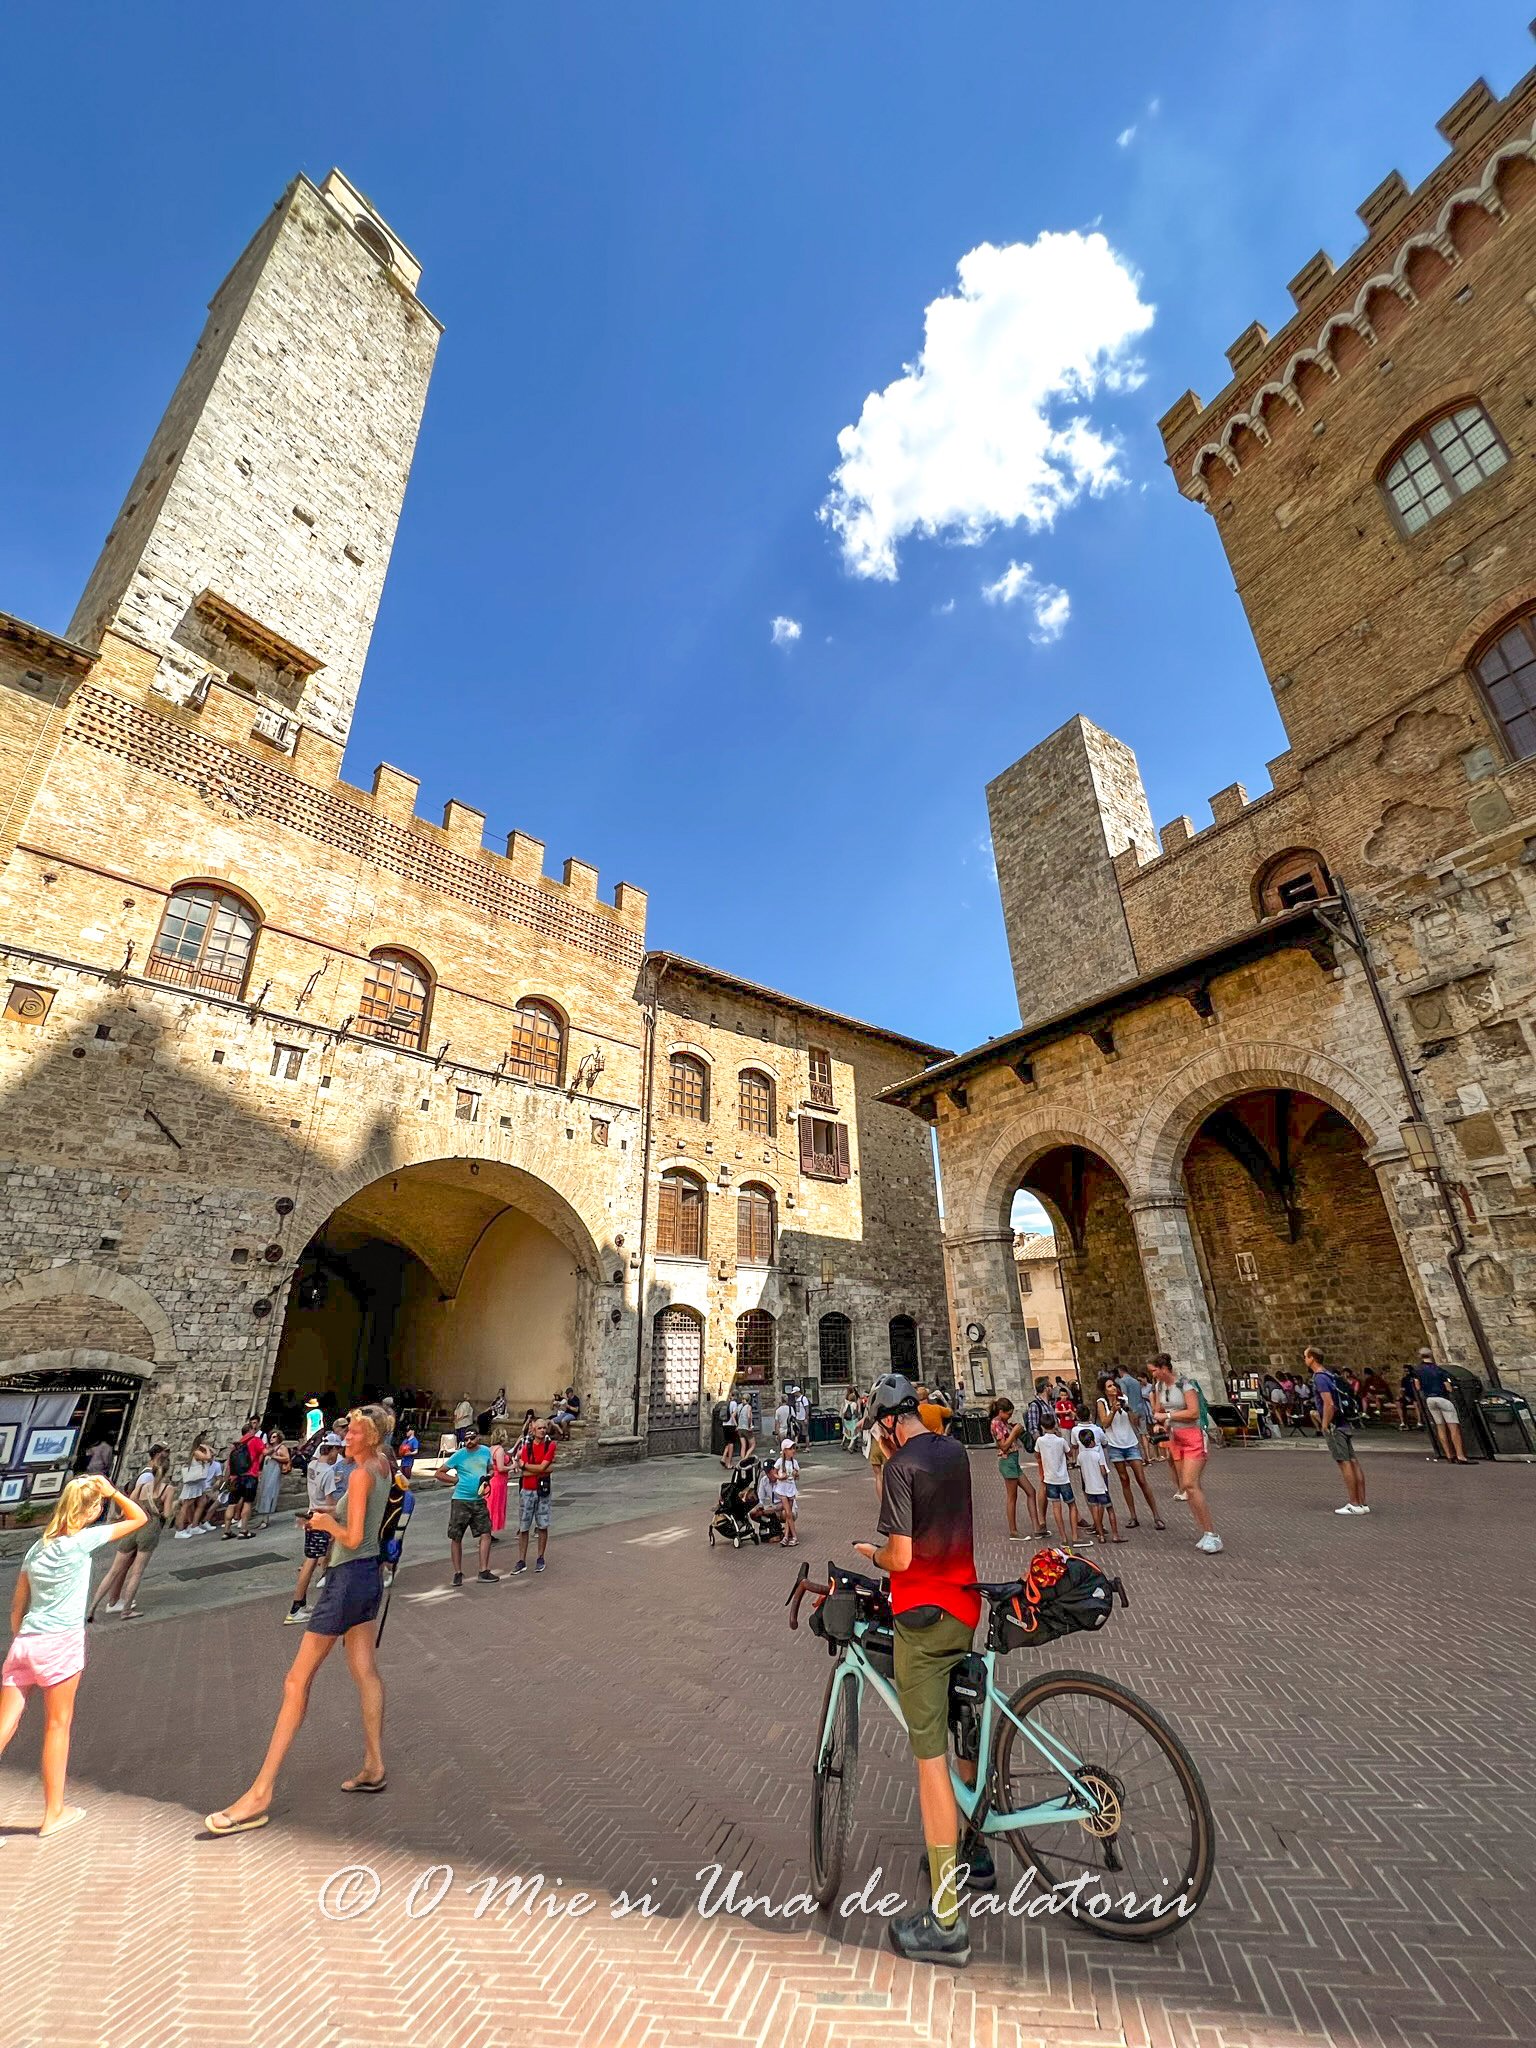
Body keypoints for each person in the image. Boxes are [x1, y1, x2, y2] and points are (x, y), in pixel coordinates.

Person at [206, 1406, 391, 1834]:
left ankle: (260, 1792)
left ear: (372, 1436)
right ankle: (374, 1765)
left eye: (354, 1431)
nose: (345, 1436)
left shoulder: (363, 1473)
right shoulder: (381, 1465)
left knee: (295, 1682)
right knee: (365, 1671)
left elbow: (355, 1535)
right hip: (369, 1576)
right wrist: (332, 1513)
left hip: (346, 1578)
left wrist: (325, 1521)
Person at [852, 1373, 982, 1968]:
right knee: (964, 1716)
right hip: (966, 1607)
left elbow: (901, 1555)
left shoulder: (900, 1466)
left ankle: (947, 1920)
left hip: (923, 1622)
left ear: (885, 1424)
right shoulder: (952, 1450)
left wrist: (871, 1554)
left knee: (928, 1759)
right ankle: (974, 1850)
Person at [1, 1473, 147, 1837]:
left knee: (4, 1724)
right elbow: (138, 1519)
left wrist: (21, 1636)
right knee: (57, 1726)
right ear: (91, 1510)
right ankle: (54, 1813)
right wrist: (113, 1492)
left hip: (26, 1642)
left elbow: (18, 1604)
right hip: (60, 1642)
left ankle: (55, 1811)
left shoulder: (38, 1547)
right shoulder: (82, 1541)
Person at [87, 1448, 173, 1621]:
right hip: (150, 1528)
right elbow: (167, 1514)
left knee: (113, 1571)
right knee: (137, 1572)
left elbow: (129, 1504)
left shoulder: (141, 1485)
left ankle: (92, 1608)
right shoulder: (167, 1489)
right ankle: (126, 1610)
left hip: (134, 1525)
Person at [1149, 1354, 1222, 1553]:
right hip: (1175, 1436)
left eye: (1155, 1370)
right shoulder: (1159, 1388)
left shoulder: (1185, 1385)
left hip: (1193, 1436)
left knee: (1191, 1483)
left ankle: (1212, 1535)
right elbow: (1158, 1411)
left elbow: (1194, 1412)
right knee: (1186, 1487)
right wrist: (1159, 1423)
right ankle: (1205, 1532)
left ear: (1164, 1368)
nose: (1153, 1374)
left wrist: (1168, 1416)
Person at [286, 1432, 343, 1624]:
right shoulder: (328, 1472)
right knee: (311, 1563)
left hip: (311, 1513)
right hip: (320, 1518)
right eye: (338, 1449)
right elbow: (329, 1503)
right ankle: (295, 1607)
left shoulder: (312, 1465)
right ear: (333, 1449)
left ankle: (301, 1604)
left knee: (310, 1560)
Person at [1307, 1346, 1369, 1513]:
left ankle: (1354, 1503)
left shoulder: (1319, 1377)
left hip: (1335, 1425)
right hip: (1344, 1422)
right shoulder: (1330, 1375)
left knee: (1344, 1462)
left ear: (1312, 1358)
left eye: (1306, 1356)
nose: (1305, 1359)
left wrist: (1324, 1424)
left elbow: (1329, 1404)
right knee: (1353, 1460)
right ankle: (1362, 1503)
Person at [1095, 1376, 1163, 1529]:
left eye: (1114, 1385)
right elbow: (1105, 1423)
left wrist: (1129, 1410)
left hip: (1130, 1443)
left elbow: (1134, 1421)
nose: (1113, 1388)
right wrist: (1113, 1410)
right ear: (1104, 1390)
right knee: (1124, 1480)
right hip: (1115, 1445)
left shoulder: (1123, 1398)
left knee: (1141, 1479)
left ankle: (1156, 1515)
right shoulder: (1102, 1403)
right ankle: (1133, 1516)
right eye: (1110, 1386)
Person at [437, 1425, 497, 1586]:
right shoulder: (459, 1455)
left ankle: (483, 1570)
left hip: (478, 1499)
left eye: (472, 1438)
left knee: (486, 1533)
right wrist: (454, 1480)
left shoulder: (485, 1451)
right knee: (456, 1536)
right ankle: (457, 1572)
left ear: (478, 1437)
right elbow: (439, 1472)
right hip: (461, 1500)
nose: (469, 1442)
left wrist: (489, 1476)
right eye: (466, 1439)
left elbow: (491, 1467)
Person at [988, 1398, 1043, 1541]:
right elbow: (1004, 1446)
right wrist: (1014, 1433)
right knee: (1012, 1497)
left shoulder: (1004, 1423)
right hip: (1007, 1460)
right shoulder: (996, 1423)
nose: (1010, 1416)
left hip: (1013, 1461)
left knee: (1031, 1491)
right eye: (1008, 1414)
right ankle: (1013, 1531)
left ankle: (1037, 1527)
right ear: (1001, 1412)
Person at [1409, 1346, 1470, 1464]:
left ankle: (1449, 1455)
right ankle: (1460, 1455)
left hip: (1430, 1399)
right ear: (1431, 1355)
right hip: (1442, 1398)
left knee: (1440, 1426)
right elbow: (1448, 1387)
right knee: (1453, 1427)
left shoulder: (1417, 1371)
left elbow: (1417, 1387)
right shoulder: (1439, 1370)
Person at [514, 1419, 557, 1575]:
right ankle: (521, 1560)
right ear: (533, 1429)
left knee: (542, 1525)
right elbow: (541, 1469)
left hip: (542, 1490)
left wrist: (526, 1465)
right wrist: (542, 1470)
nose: (542, 1430)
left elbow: (539, 1467)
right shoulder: (527, 1446)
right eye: (539, 1428)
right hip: (527, 1489)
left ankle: (540, 1557)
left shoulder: (550, 1445)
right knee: (524, 1526)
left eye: (544, 1428)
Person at [1034, 1417, 1083, 1545]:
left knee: (1056, 1507)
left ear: (1043, 1427)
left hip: (1049, 1478)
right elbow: (1070, 1454)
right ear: (1055, 1425)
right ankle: (1074, 1535)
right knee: (1071, 1505)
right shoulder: (1060, 1441)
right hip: (1063, 1478)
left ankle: (1063, 1537)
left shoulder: (1040, 1440)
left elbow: (1037, 1455)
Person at [1075, 1428, 1124, 1544]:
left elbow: (1081, 1469)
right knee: (1110, 1509)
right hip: (1100, 1487)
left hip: (1089, 1488)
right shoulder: (1097, 1455)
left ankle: (1100, 1535)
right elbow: (1103, 1471)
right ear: (1092, 1441)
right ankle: (1115, 1534)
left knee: (1095, 1510)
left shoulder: (1080, 1456)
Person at [222, 1418, 265, 1540]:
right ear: (251, 1431)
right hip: (249, 1477)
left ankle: (226, 1531)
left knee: (231, 1503)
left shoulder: (235, 1447)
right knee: (247, 1502)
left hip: (234, 1479)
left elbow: (229, 1466)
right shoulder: (255, 1440)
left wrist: (226, 1481)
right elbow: (265, 1451)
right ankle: (244, 1530)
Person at [173, 1439, 216, 1537]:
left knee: (202, 1502)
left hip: (198, 1482)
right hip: (193, 1483)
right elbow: (208, 1458)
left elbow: (213, 1454)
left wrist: (208, 1448)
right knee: (186, 1505)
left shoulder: (200, 1452)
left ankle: (194, 1526)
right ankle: (179, 1530)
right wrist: (206, 1448)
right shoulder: (196, 1453)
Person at [255, 1426, 291, 1530]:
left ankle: (265, 1519)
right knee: (263, 1492)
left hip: (274, 1472)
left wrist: (274, 1456)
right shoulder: (269, 1448)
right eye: (271, 1437)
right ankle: (263, 1518)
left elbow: (286, 1458)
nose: (272, 1438)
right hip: (267, 1472)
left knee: (268, 1493)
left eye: (274, 1437)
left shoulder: (282, 1447)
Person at [487, 1428, 513, 1537]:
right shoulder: (500, 1450)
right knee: (495, 1506)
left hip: (492, 1479)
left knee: (490, 1506)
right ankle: (488, 1533)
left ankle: (488, 1533)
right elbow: (501, 1468)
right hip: (498, 1480)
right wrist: (512, 1466)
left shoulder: (490, 1449)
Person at [773, 1438, 800, 1546]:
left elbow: (797, 1476)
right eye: (790, 1449)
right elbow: (774, 1473)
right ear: (784, 1450)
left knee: (788, 1514)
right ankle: (794, 1537)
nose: (792, 1450)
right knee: (788, 1513)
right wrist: (780, 1477)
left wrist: (795, 1474)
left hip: (791, 1489)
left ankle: (786, 1536)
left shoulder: (795, 1462)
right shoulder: (780, 1461)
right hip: (782, 1489)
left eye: (793, 1448)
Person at [734, 1391, 756, 1462]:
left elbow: (733, 1415)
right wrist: (749, 1425)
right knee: (753, 1444)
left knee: (743, 1445)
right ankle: (746, 1457)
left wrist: (736, 1425)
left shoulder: (739, 1406)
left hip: (740, 1428)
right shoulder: (748, 1407)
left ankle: (742, 1460)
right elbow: (749, 1416)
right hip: (746, 1428)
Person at [719, 1397, 740, 1471]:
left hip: (724, 1424)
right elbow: (733, 1415)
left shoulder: (726, 1403)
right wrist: (736, 1425)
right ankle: (729, 1464)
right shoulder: (734, 1403)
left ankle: (723, 1458)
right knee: (731, 1444)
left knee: (728, 1443)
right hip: (731, 1425)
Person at [840, 1388, 862, 1452]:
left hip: (846, 1420)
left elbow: (843, 1412)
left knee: (847, 1433)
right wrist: (858, 1415)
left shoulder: (846, 1403)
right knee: (854, 1434)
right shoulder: (854, 1404)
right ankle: (850, 1446)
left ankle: (844, 1443)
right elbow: (856, 1412)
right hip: (853, 1420)